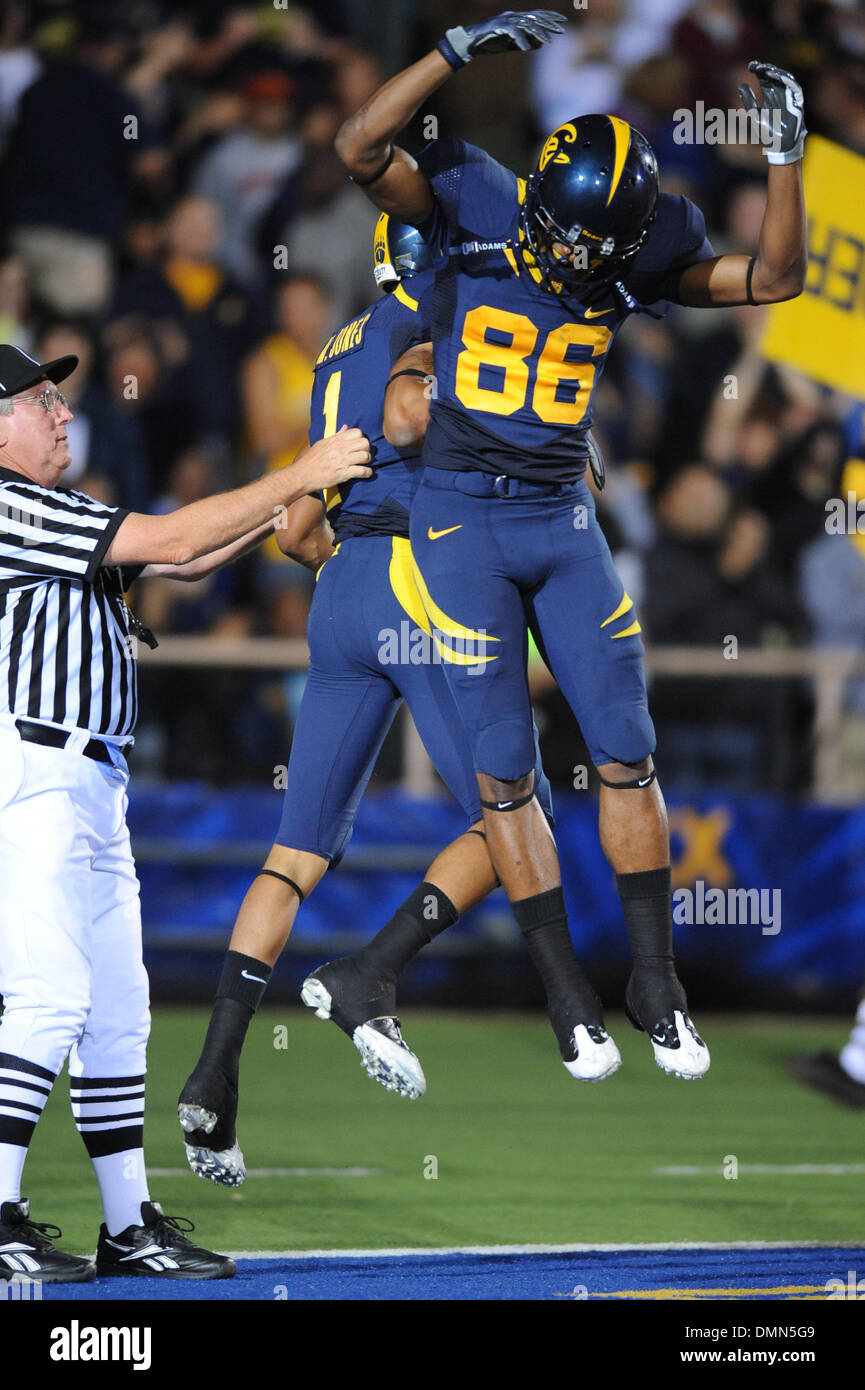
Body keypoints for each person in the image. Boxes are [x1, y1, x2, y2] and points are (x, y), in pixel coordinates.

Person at [335, 11, 808, 1081]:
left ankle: (655, 982)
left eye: (601, 248)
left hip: (557, 516)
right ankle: (566, 1001)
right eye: (566, 235)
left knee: (626, 746)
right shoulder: (472, 197)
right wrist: (452, 53)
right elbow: (357, 146)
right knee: (506, 776)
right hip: (459, 515)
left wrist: (784, 158)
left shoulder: (643, 241)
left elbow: (774, 280)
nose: (575, 260)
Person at [177, 215, 555, 1187]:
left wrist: (344, 568)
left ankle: (214, 1073)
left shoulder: (337, 343)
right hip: (411, 575)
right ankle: (372, 970)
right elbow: (407, 418)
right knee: (517, 812)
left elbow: (297, 524)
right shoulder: (424, 332)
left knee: (293, 853)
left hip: (342, 585)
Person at [0, 343, 370, 1281]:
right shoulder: (5, 504)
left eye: (55, 396)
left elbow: (191, 556)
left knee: (119, 1012)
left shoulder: (56, 508)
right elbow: (168, 541)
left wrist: (287, 492)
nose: (58, 412)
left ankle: (126, 1225)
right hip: (30, 771)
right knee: (47, 1002)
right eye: (37, 400)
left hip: (89, 782)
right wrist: (304, 472)